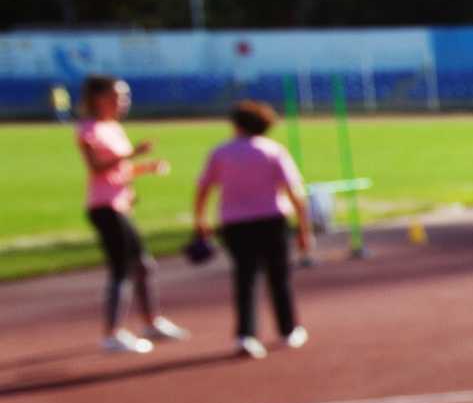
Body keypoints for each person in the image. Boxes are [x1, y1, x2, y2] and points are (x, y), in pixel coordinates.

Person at [73, 74, 188, 354]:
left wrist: (144, 169)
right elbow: (97, 168)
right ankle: (112, 333)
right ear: (99, 98)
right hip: (104, 207)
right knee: (122, 268)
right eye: (117, 96)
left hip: (119, 204)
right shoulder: (89, 129)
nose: (123, 102)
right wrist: (133, 153)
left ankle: (150, 321)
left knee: (143, 265)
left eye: (124, 96)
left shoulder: (113, 127)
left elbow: (117, 171)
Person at [193, 101, 310, 358]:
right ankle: (288, 329)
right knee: (279, 277)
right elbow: (295, 192)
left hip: (235, 224)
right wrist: (304, 227)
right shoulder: (273, 151)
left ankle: (246, 335)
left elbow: (203, 188)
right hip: (272, 220)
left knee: (244, 278)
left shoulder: (221, 153)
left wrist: (199, 219)